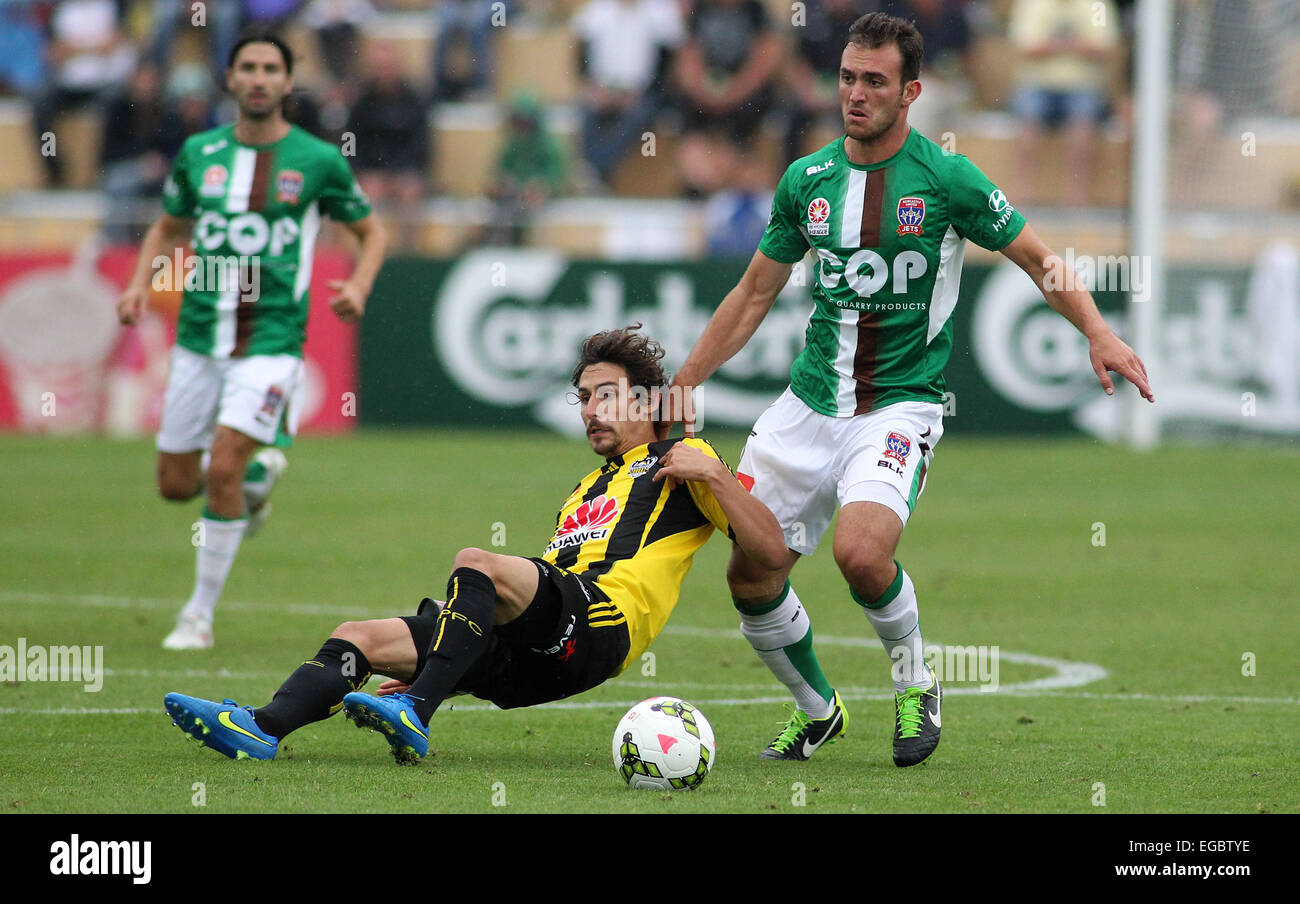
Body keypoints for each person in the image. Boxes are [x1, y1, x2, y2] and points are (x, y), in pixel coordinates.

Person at [664, 12, 1153, 767]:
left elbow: (1035, 255)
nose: (856, 94)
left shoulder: (947, 178)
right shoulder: (808, 181)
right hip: (807, 405)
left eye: (875, 82)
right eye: (848, 78)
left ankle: (916, 681)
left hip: (899, 404)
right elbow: (755, 292)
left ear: (911, 91)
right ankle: (817, 710)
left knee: (861, 555)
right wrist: (688, 378)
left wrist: (1099, 330)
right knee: (750, 575)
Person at [162, 326, 788, 763]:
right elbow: (537, 591)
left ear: (648, 401)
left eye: (605, 396)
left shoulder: (684, 460)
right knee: (359, 637)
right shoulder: (585, 490)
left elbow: (769, 553)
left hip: (603, 626)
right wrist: (453, 667)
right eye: (582, 400)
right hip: (538, 652)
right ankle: (262, 729)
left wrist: (716, 478)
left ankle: (418, 709)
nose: (589, 410)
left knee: (476, 562)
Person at [116, 30, 387, 651]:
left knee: (225, 465)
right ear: (230, 79)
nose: (260, 78)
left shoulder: (317, 160)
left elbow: (371, 232)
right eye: (248, 67)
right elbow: (167, 226)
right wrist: (138, 285)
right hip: (197, 339)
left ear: (288, 83)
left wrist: (359, 286)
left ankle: (197, 617)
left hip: (271, 338)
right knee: (175, 485)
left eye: (271, 68)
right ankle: (255, 487)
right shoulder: (199, 152)